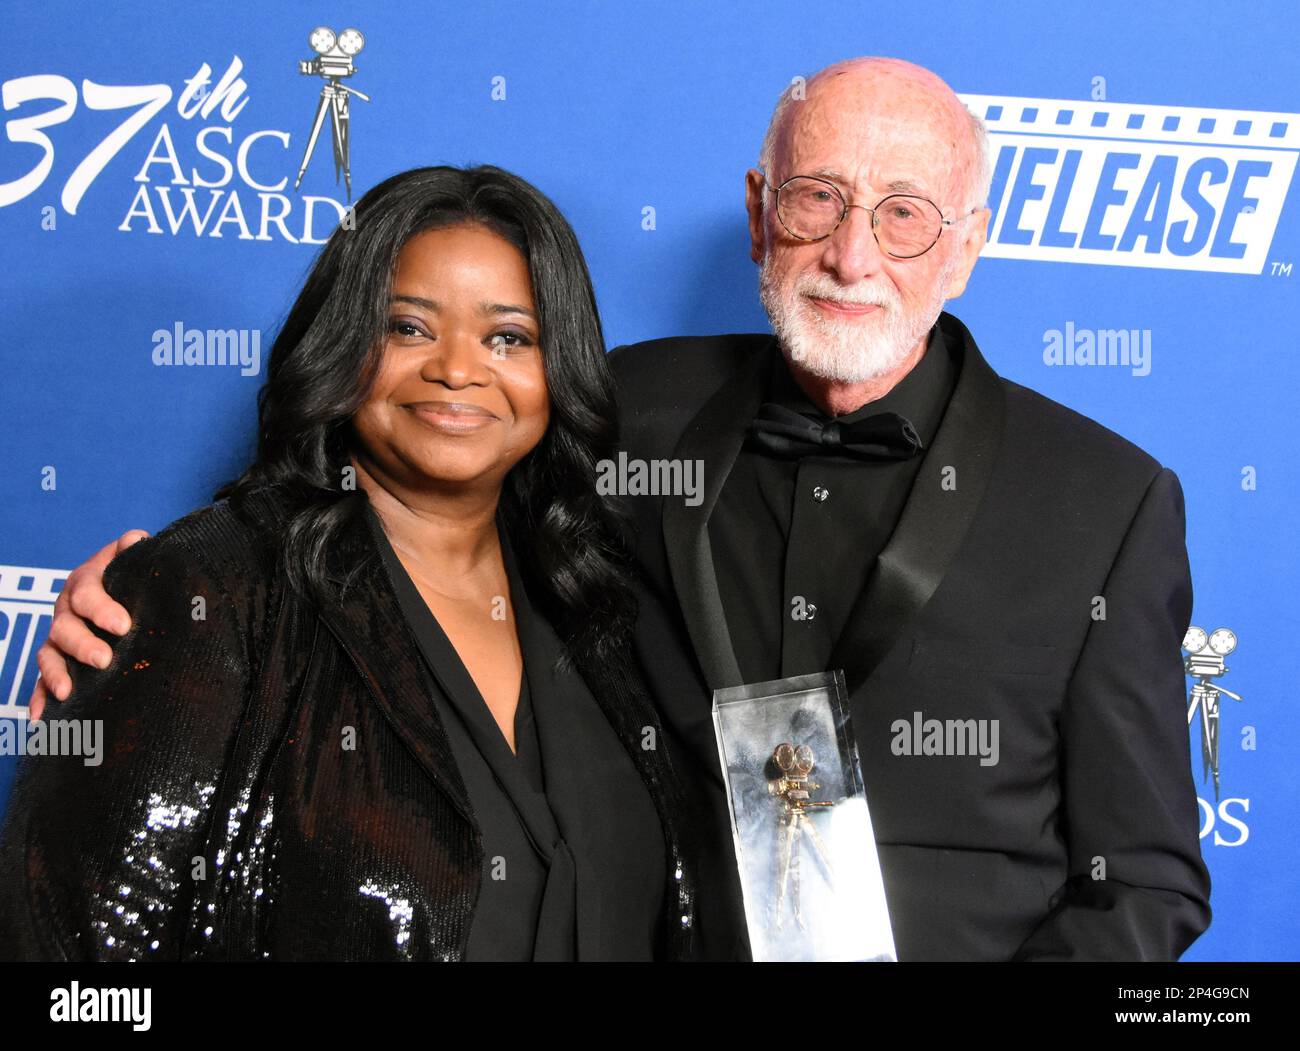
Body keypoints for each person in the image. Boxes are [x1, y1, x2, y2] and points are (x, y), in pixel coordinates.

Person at [30, 57, 1212, 962]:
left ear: (968, 245)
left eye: (905, 213)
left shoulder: (1104, 500)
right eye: (818, 198)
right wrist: (134, 610)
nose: (854, 252)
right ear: (759, 211)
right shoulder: (614, 409)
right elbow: (376, 516)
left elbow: (1148, 882)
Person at [0, 164, 694, 962]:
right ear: (344, 342)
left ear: (556, 367)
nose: (459, 369)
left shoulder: (596, 599)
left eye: (509, 336)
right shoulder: (211, 589)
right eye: (409, 327)